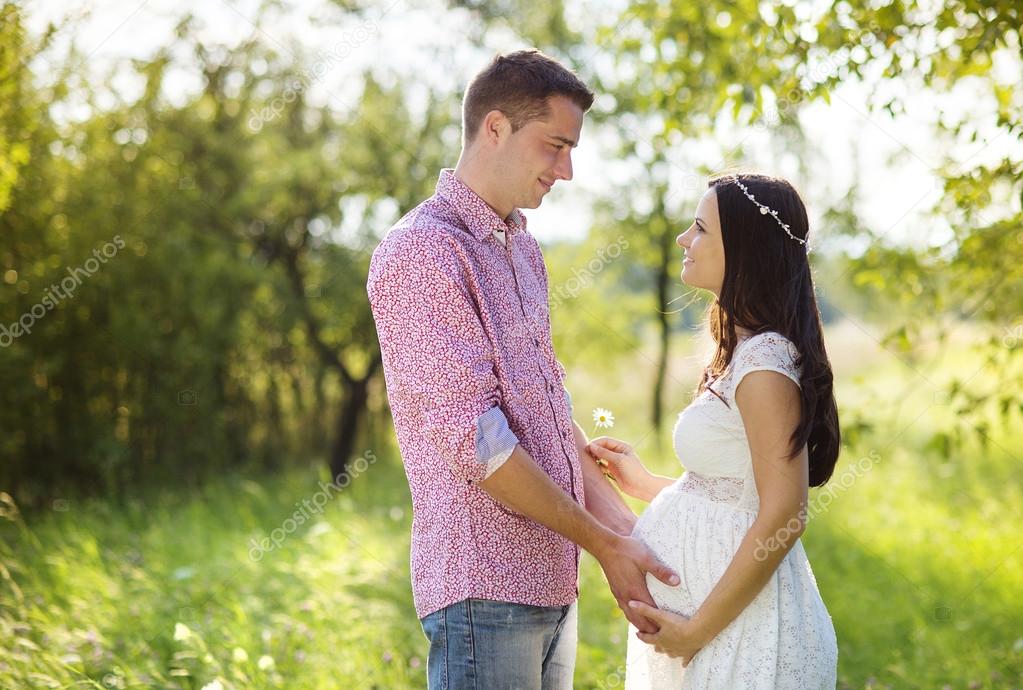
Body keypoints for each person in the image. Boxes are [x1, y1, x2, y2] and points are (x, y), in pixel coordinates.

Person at [366, 49, 679, 690]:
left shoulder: (523, 249)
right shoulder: (422, 251)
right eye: (555, 146)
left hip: (552, 585)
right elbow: (480, 443)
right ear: (496, 127)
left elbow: (549, 416)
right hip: (485, 591)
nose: (566, 170)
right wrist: (605, 543)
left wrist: (629, 532)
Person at [589, 173, 841, 689]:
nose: (684, 238)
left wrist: (696, 631)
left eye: (700, 228)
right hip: (718, 627)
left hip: (741, 632)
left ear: (746, 249)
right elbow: (738, 497)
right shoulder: (746, 354)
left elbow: (785, 513)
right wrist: (647, 485)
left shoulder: (764, 365)